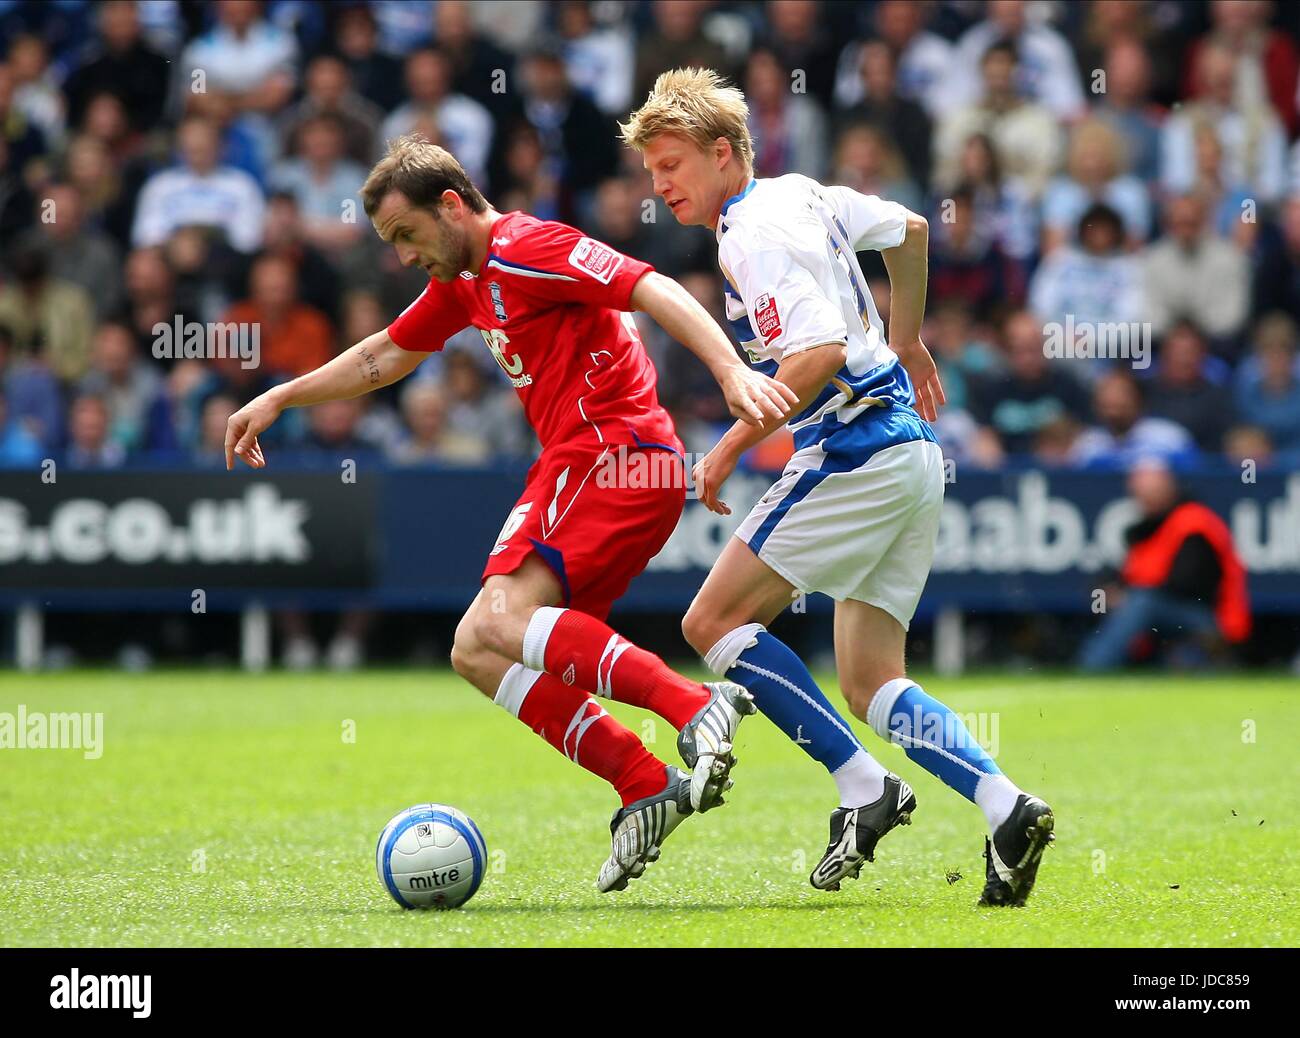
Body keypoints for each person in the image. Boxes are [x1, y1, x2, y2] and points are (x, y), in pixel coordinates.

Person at [225, 134, 799, 892]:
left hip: (611, 452)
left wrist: (729, 369)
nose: (403, 256)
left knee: (494, 620)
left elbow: (650, 285)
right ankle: (640, 780)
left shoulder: (529, 246)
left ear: (454, 205)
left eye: (407, 235)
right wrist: (281, 395)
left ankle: (694, 705)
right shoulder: (466, 279)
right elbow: (384, 357)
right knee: (477, 648)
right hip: (599, 462)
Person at [622, 68, 1055, 906]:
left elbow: (815, 357)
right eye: (650, 172)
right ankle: (1006, 807)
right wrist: (909, 341)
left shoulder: (748, 232)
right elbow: (914, 232)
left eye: (671, 163)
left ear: (722, 152)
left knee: (710, 621)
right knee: (869, 681)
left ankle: (865, 788)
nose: (660, 184)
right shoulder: (806, 193)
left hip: (852, 447)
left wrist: (727, 446)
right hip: (912, 451)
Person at [1079, 459, 1251, 671]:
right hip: (1163, 613)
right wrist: (1111, 590)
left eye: (1152, 494)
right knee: (1115, 600)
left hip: (1210, 618)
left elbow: (1190, 584)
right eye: (1141, 496)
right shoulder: (1149, 529)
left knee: (1143, 601)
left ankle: (1094, 667)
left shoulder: (1194, 523)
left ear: (1169, 490)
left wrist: (1129, 594)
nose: (1146, 501)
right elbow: (1125, 574)